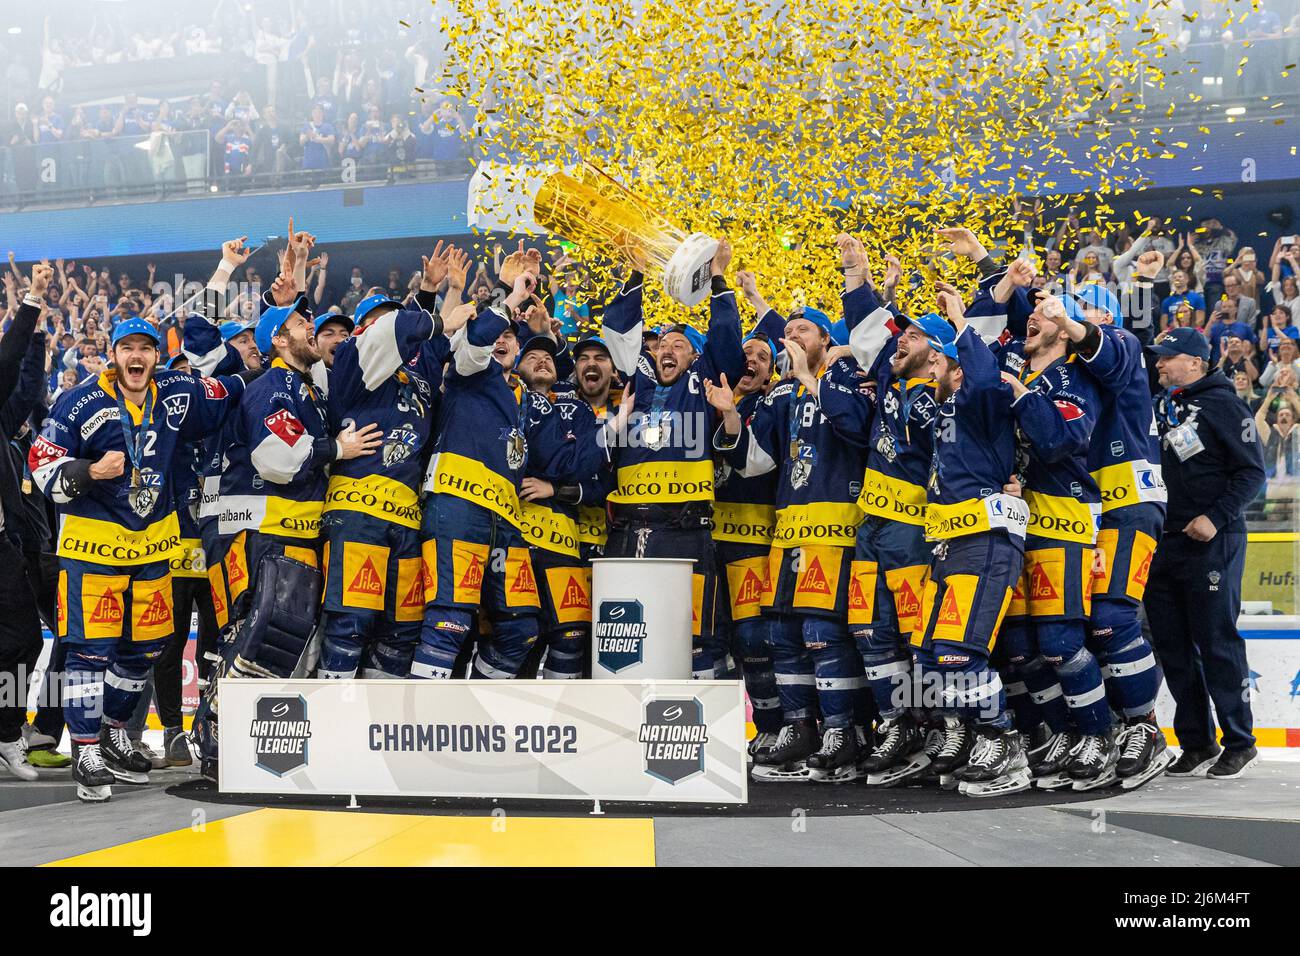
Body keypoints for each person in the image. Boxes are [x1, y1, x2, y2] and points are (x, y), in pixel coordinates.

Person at [30, 305, 248, 802]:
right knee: (89, 651)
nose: (137, 356)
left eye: (146, 348)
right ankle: (85, 748)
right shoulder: (78, 402)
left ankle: (110, 730)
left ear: (156, 356)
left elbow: (231, 384)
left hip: (154, 546)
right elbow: (41, 463)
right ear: (113, 356)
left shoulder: (174, 391)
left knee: (147, 649)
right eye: (127, 347)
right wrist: (89, 473)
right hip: (93, 547)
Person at [715, 271, 880, 783]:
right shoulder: (778, 397)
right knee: (781, 634)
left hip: (836, 531)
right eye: (787, 330)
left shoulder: (851, 378)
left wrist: (816, 380)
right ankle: (799, 728)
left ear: (826, 341)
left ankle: (842, 731)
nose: (792, 337)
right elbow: (756, 463)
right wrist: (731, 421)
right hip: (786, 537)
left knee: (822, 634)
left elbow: (857, 431)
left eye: (803, 330)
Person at [316, 247, 465, 680]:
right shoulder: (351, 359)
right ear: (364, 329)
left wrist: (444, 290)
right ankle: (338, 727)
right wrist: (425, 300)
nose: (389, 324)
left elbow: (432, 341)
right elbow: (400, 329)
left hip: (406, 520)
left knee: (401, 631)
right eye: (378, 318)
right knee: (350, 627)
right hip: (358, 513)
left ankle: (379, 738)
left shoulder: (415, 372)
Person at [599, 239, 746, 679]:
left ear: (694, 357)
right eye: (662, 343)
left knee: (695, 633)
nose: (666, 349)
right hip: (628, 531)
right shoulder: (638, 382)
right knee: (624, 638)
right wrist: (637, 275)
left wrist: (718, 278)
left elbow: (725, 342)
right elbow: (619, 332)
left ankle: (697, 726)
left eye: (678, 345)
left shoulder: (703, 384)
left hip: (685, 532)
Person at [1146, 327, 1266, 779]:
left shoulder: (1223, 403)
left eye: (1167, 357)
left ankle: (1240, 740)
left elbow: (1253, 474)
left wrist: (1215, 518)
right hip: (1165, 540)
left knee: (1216, 641)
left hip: (1212, 538)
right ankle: (1196, 741)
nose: (1158, 363)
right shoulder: (1162, 405)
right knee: (1173, 646)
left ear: (1195, 363)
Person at [0, 266, 53, 782]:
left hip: (2, 545)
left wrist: (33, 305)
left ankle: (7, 733)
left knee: (25, 639)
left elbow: (15, 368)